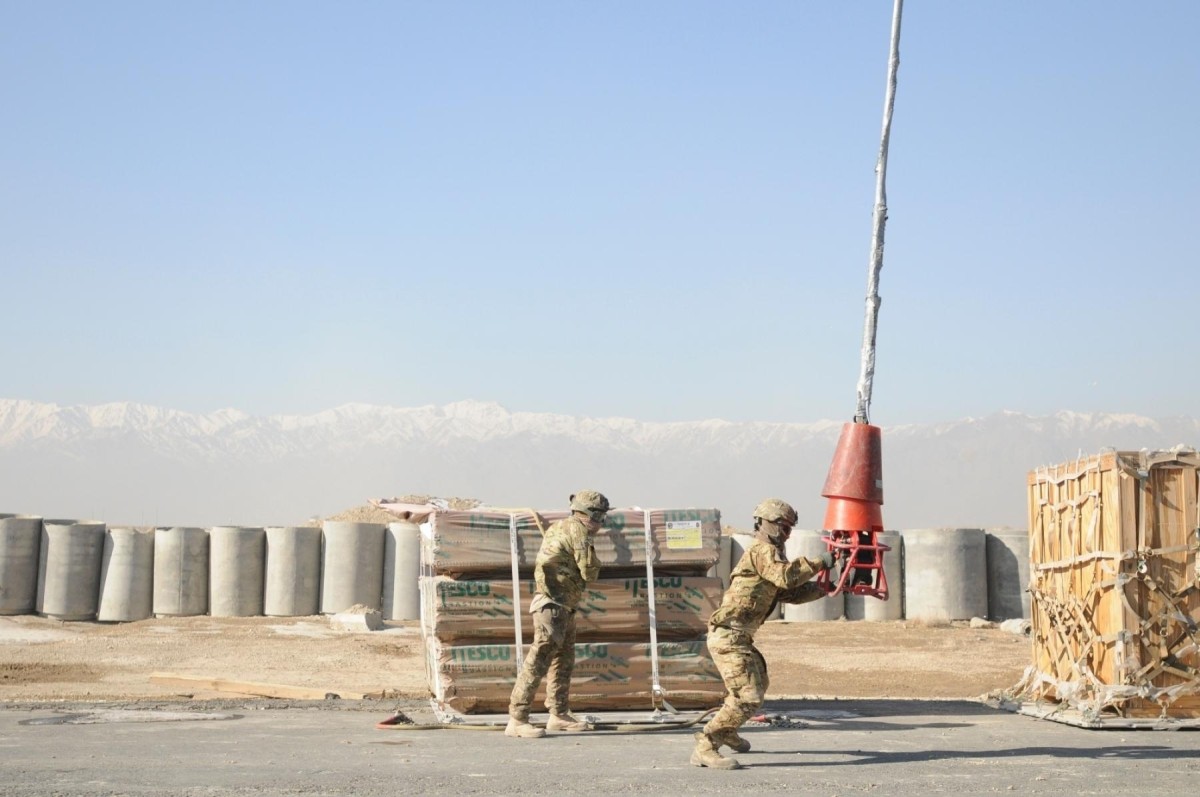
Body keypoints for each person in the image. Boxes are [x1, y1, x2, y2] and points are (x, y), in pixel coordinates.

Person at [691, 498, 837, 769]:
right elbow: (787, 578)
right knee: (749, 695)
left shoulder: (772, 555)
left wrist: (830, 587)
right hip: (729, 636)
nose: (787, 534)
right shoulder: (762, 550)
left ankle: (727, 730)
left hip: (739, 636)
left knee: (757, 686)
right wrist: (819, 562)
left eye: (790, 528)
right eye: (782, 527)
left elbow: (788, 592)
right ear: (765, 524)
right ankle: (706, 744)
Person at [506, 489, 610, 738]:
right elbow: (588, 571)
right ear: (590, 515)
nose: (600, 525)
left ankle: (559, 714)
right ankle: (517, 719)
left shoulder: (560, 527)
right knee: (538, 660)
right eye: (600, 518)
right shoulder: (579, 531)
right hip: (552, 606)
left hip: (563, 606)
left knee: (563, 662)